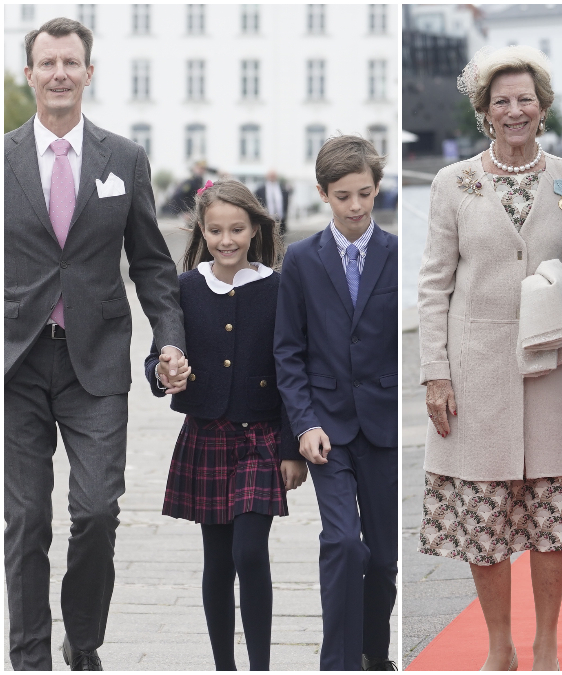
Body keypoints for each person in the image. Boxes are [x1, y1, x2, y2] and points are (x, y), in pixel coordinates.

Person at [4, 17, 189, 671]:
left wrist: (168, 341)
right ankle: (28, 659)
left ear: (89, 73)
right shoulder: (2, 160)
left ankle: (82, 641)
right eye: (46, 62)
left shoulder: (123, 160)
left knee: (98, 509)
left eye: (70, 62)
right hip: (18, 363)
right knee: (26, 520)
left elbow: (152, 266)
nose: (58, 72)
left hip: (97, 362)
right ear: (29, 75)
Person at [419, 45, 562, 671]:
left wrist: (560, 294)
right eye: (501, 100)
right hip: (478, 374)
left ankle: (546, 643)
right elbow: (434, 285)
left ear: (543, 107)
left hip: (552, 367)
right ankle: (499, 645)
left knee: (554, 508)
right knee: (485, 513)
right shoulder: (453, 183)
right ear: (484, 111)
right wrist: (435, 374)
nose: (515, 109)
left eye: (525, 98)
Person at [146, 179, 306, 670]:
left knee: (249, 552)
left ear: (256, 227)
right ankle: (224, 667)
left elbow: (294, 367)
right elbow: (161, 352)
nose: (227, 240)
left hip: (261, 440)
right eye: (215, 230)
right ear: (203, 231)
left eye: (237, 228)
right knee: (217, 562)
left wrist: (292, 448)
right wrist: (163, 371)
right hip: (206, 436)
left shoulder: (280, 287)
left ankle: (260, 667)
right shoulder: (187, 287)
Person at [274, 135, 398, 671]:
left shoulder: (397, 253)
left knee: (386, 560)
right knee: (345, 544)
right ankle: (339, 663)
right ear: (323, 194)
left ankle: (374, 653)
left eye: (366, 193)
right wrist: (301, 428)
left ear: (377, 188)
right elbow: (288, 352)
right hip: (325, 429)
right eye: (343, 195)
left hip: (386, 427)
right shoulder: (300, 260)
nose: (356, 207)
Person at [255, 169, 291, 234]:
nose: (272, 177)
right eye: (271, 175)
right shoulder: (260, 190)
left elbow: (286, 203)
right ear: (267, 176)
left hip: (280, 222)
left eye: (274, 175)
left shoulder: (283, 189)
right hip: (266, 222)